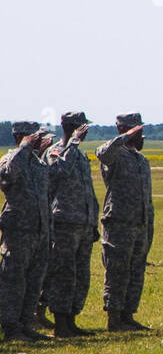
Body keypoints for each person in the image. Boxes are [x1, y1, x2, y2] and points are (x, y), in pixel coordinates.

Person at [41, 112, 98, 337]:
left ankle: (71, 319)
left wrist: (92, 221)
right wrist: (73, 142)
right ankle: (61, 322)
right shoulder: (56, 151)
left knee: (81, 275)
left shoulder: (80, 155)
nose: (85, 131)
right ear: (71, 127)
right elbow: (57, 172)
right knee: (64, 273)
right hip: (64, 222)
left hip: (83, 223)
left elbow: (88, 190)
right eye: (81, 127)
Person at [96, 113, 154, 331]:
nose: (142, 137)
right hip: (119, 223)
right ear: (125, 132)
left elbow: (147, 200)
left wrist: (149, 228)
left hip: (140, 225)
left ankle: (128, 315)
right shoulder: (115, 156)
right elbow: (102, 153)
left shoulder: (141, 160)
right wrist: (124, 136)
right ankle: (114, 317)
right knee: (117, 271)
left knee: (136, 271)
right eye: (137, 133)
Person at [0, 121, 54, 341]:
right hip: (19, 231)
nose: (38, 139)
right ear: (21, 136)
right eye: (34, 136)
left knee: (34, 280)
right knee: (14, 280)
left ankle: (25, 324)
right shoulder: (12, 158)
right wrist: (23, 148)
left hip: (39, 231)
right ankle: (11, 328)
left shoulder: (36, 163)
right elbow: (6, 174)